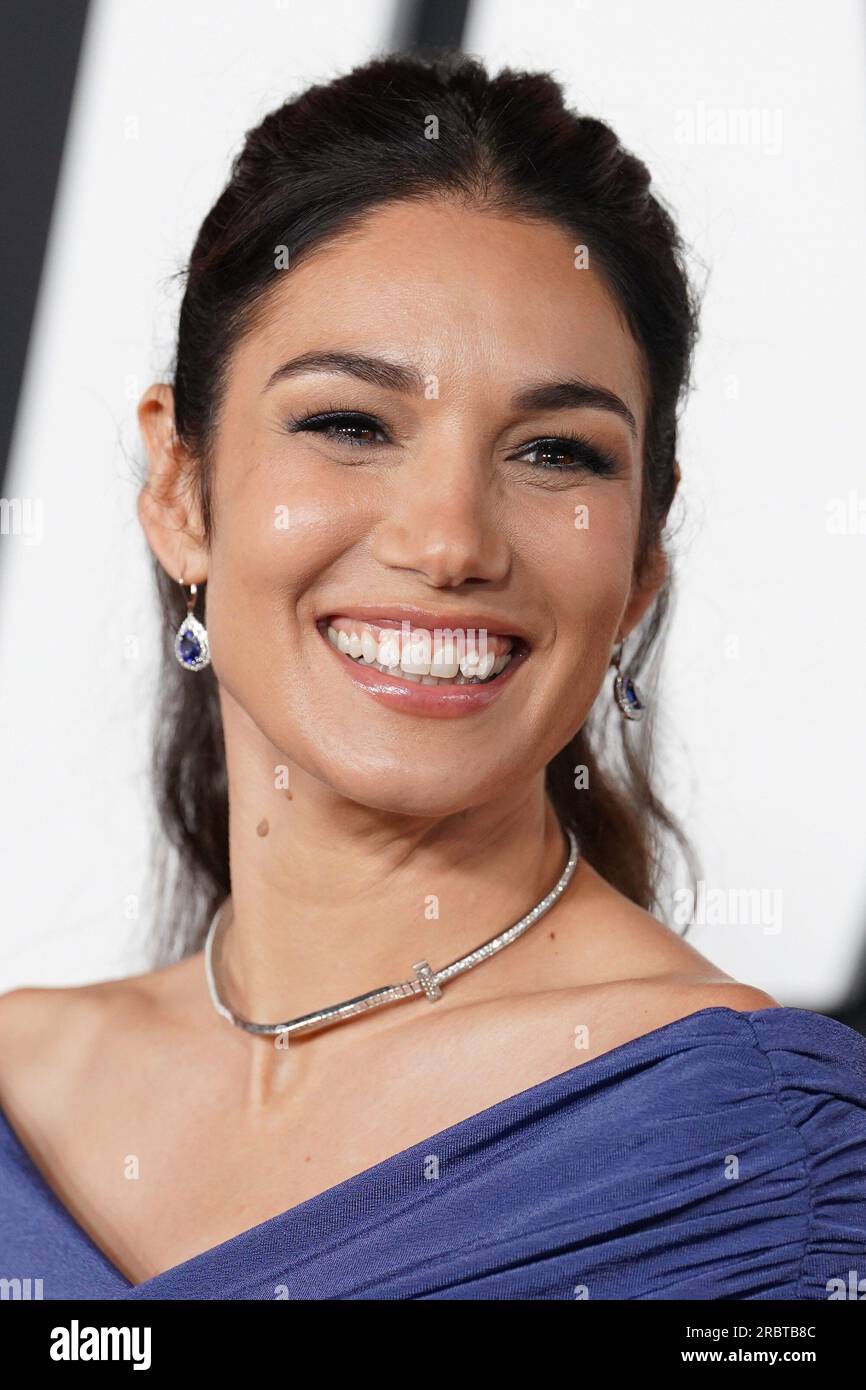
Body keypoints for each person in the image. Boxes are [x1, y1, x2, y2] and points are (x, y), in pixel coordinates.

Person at [2, 50, 864, 1301]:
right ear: (181, 489)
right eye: (350, 425)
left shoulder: (759, 1165)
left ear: (638, 558)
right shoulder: (20, 1080)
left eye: (555, 452)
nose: (449, 540)